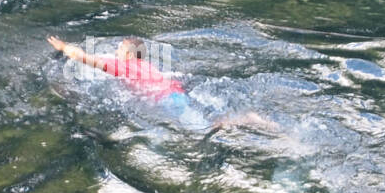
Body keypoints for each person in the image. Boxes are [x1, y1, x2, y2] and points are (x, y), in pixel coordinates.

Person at [47, 35, 279, 133]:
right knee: (204, 118)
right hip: (176, 93)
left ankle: (248, 119)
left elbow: (83, 57)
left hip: (169, 101)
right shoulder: (146, 65)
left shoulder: (123, 66)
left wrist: (63, 47)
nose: (115, 52)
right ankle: (243, 118)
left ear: (127, 55)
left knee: (206, 129)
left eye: (119, 49)